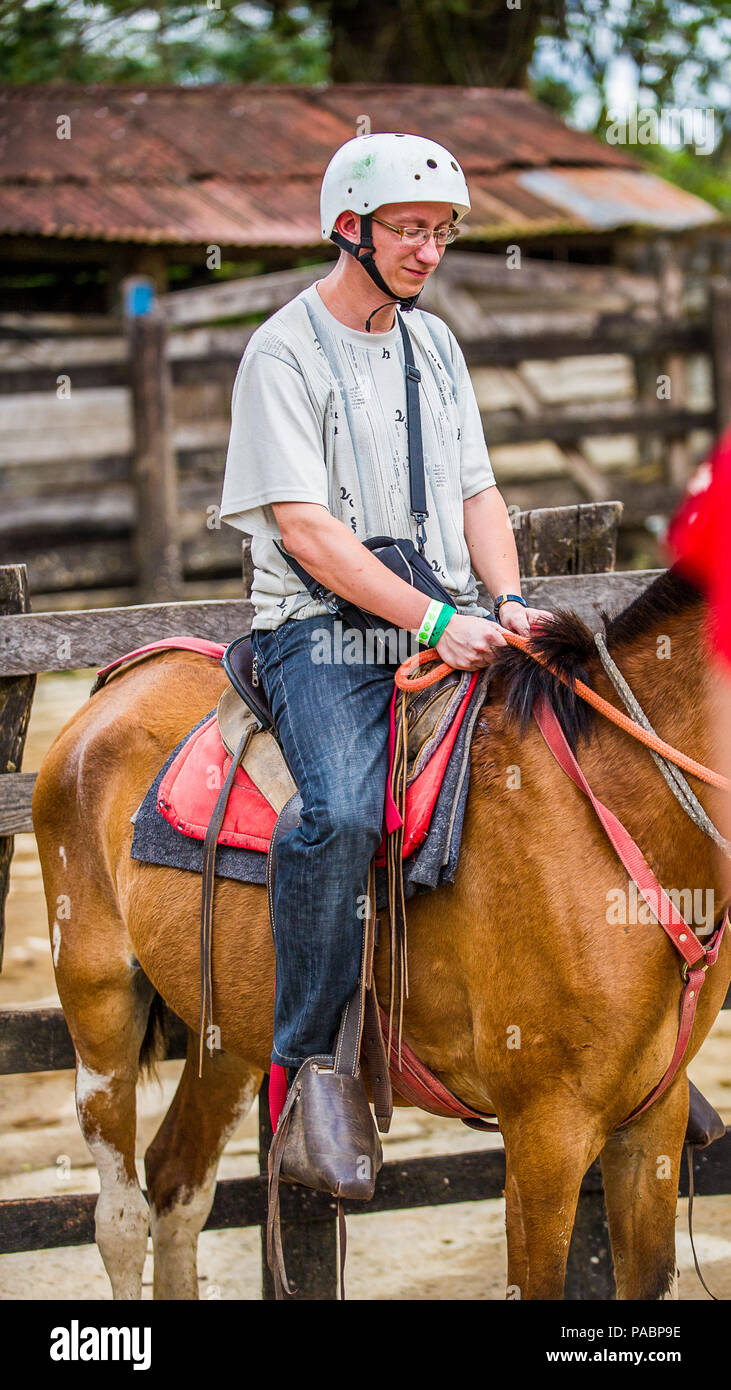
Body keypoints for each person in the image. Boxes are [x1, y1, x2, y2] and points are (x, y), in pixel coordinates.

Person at [220, 132, 552, 1168]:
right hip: (318, 628)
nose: (428, 250)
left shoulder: (434, 345)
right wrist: (439, 623)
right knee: (342, 811)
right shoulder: (282, 351)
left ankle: (597, 1043)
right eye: (409, 230)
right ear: (350, 230)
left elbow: (475, 492)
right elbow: (309, 531)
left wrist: (503, 599)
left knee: (560, 753)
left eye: (442, 232)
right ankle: (308, 1071)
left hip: (445, 606)